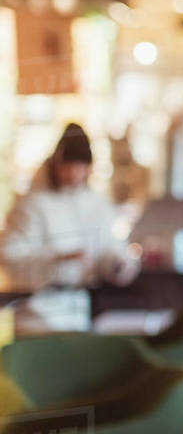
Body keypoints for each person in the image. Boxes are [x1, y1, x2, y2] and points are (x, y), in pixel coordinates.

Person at [1, 123, 140, 334]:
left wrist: (118, 264)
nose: (73, 173)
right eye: (68, 166)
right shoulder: (32, 204)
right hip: (37, 315)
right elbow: (9, 257)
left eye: (80, 166)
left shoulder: (96, 203)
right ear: (55, 164)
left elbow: (109, 248)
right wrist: (60, 259)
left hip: (79, 312)